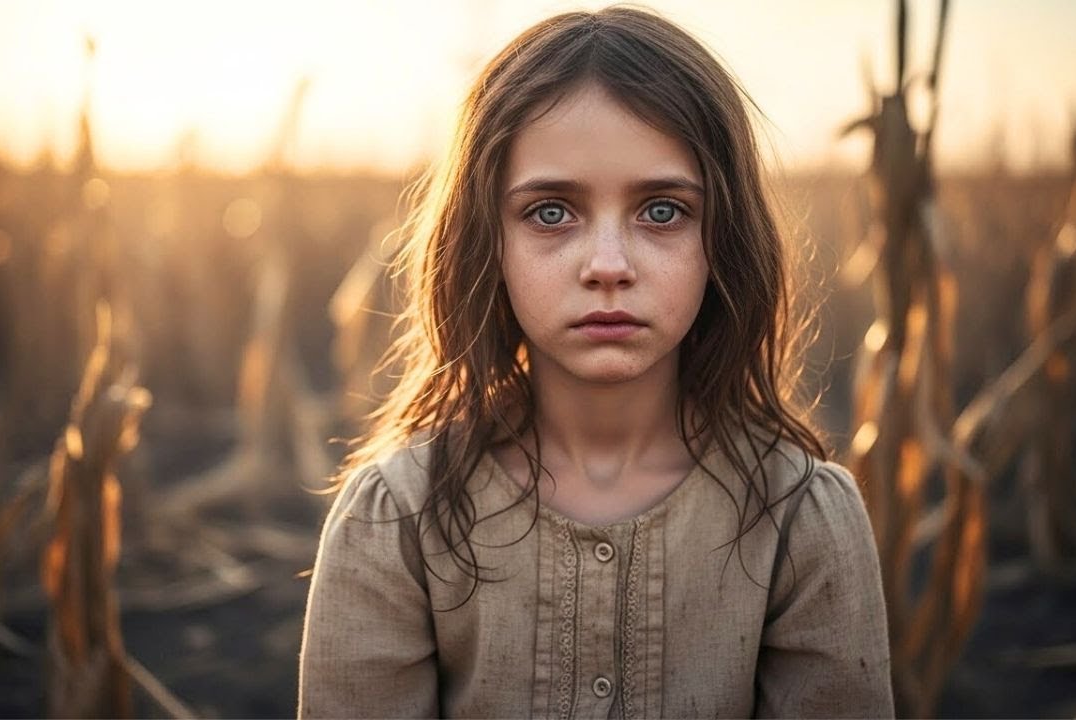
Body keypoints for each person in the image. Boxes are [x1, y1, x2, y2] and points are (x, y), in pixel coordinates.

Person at [298, 6, 892, 718]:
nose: (608, 266)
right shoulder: (396, 522)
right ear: (489, 241)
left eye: (663, 211)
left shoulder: (801, 520)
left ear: (722, 240)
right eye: (551, 212)